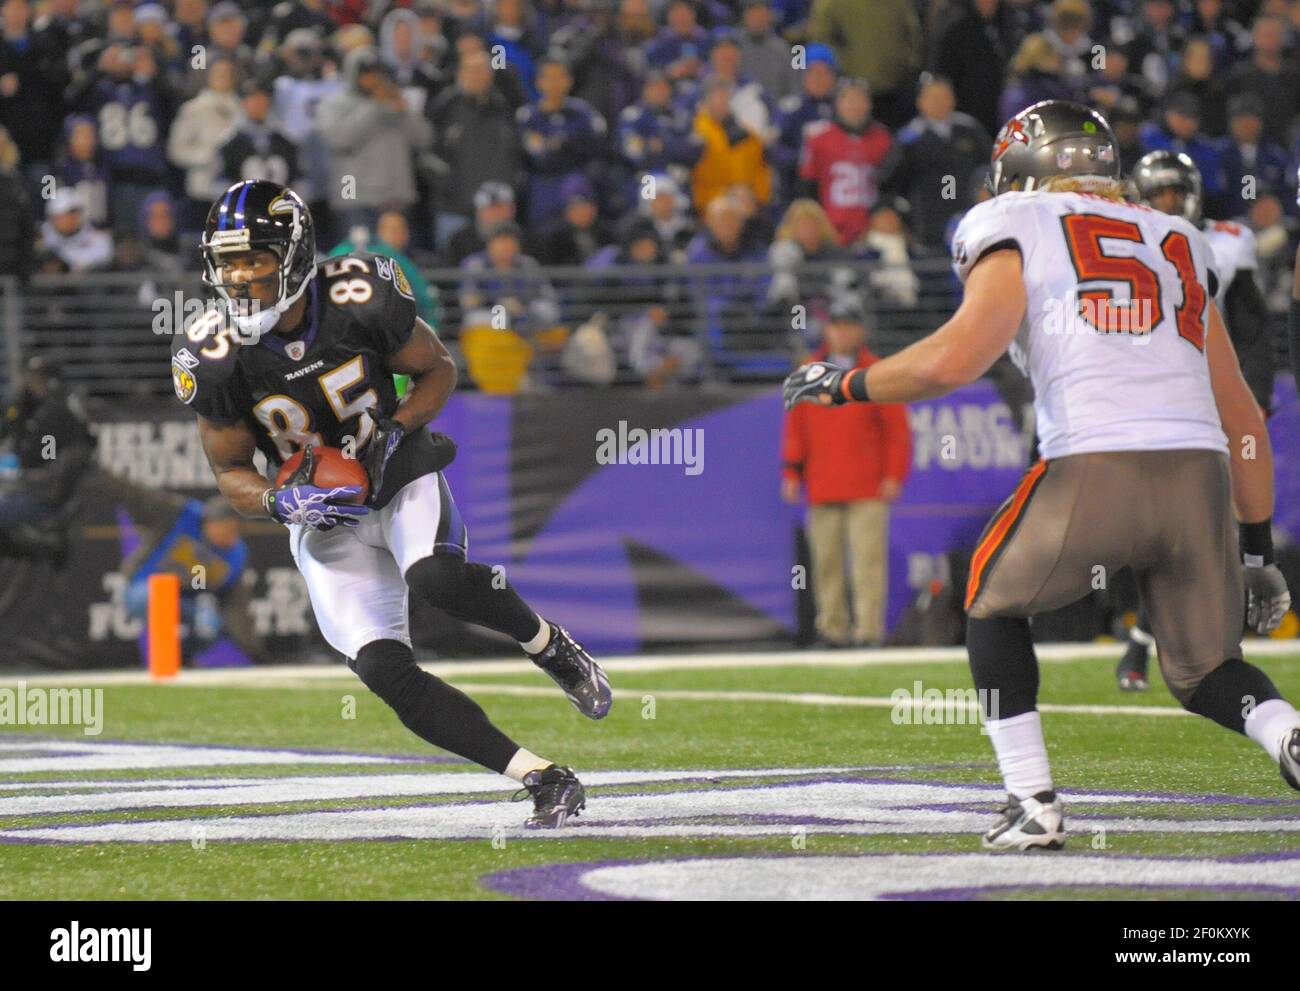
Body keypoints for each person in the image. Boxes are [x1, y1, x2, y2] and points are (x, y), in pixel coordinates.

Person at [783, 101, 1296, 850]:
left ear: (1021, 169)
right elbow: (1246, 419)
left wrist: (845, 385)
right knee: (1205, 668)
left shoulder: (1014, 221)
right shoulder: (1180, 238)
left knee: (991, 600)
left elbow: (954, 358)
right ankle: (1287, 731)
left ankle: (1032, 800)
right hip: (1200, 475)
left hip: (1097, 458)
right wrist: (1256, 553)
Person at [172, 180, 611, 828]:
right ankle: (542, 777)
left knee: (434, 576)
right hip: (322, 512)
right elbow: (230, 469)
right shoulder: (213, 353)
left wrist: (395, 431)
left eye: (255, 258)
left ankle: (548, 644)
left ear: (292, 258)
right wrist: (279, 499)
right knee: (383, 669)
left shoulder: (358, 297)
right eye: (228, 261)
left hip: (395, 471)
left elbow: (438, 369)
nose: (240, 277)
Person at [1113, 149, 1275, 691]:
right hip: (1162, 398)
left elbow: (1250, 329)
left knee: (1209, 524)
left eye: (1174, 193)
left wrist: (1255, 398)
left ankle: (1175, 638)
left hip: (1214, 395)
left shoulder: (1226, 242)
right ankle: (1146, 638)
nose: (1168, 204)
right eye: (1157, 194)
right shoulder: (1125, 240)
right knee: (1164, 527)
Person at [781, 299, 910, 647]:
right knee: (826, 563)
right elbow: (797, 427)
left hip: (866, 483)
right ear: (828, 329)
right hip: (823, 483)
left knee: (868, 562)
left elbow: (896, 430)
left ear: (860, 330)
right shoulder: (809, 370)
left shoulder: (876, 372)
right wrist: (792, 471)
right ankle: (833, 630)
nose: (842, 332)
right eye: (836, 324)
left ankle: (869, 631)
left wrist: (894, 474)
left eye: (848, 324)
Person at [119, 492, 267, 664]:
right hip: (147, 588)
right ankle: (162, 659)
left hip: (187, 603)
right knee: (149, 597)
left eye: (233, 529)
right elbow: (138, 497)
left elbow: (236, 608)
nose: (227, 533)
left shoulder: (236, 554)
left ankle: (182, 658)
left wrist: (256, 654)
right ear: (209, 522)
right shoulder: (185, 515)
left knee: (210, 624)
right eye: (223, 526)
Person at [0, 357, 94, 563]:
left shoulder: (54, 412)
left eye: (36, 379)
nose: (30, 384)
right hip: (45, 488)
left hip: (47, 495)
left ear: (51, 382)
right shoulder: (60, 406)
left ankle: (45, 547)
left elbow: (37, 460)